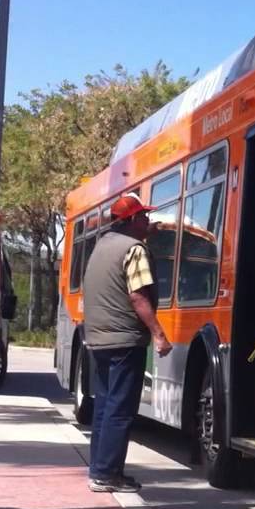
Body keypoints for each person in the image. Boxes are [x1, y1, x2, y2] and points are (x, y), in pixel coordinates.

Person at [81, 193, 172, 493]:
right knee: (120, 408)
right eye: (143, 216)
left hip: (99, 340)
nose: (147, 220)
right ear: (131, 220)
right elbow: (138, 296)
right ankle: (107, 475)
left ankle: (101, 470)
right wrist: (158, 333)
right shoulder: (135, 250)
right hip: (124, 339)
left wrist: (150, 233)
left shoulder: (102, 246)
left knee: (105, 407)